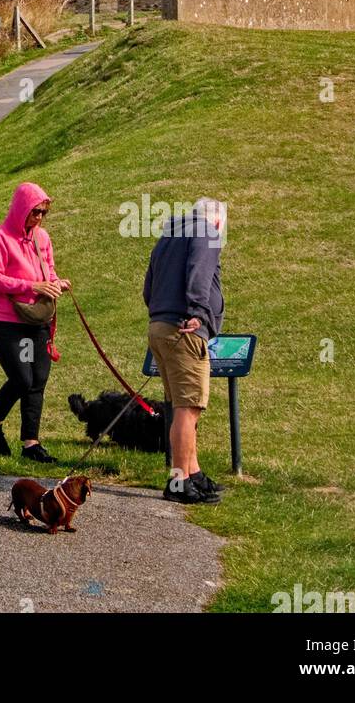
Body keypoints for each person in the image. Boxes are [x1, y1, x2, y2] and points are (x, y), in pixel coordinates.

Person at [0, 182, 71, 463]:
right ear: (21, 209)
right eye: (34, 211)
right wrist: (34, 286)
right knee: (21, 377)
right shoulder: (0, 238)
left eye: (43, 212)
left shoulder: (42, 238)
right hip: (5, 321)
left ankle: (31, 443)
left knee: (38, 380)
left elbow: (48, 271)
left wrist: (55, 283)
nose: (39, 217)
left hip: (36, 319)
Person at [143, 198, 227, 505]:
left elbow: (148, 288)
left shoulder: (169, 236)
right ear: (216, 221)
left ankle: (193, 472)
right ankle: (179, 481)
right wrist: (199, 312)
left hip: (160, 326)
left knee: (182, 405)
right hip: (185, 329)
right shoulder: (206, 232)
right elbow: (199, 274)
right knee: (188, 407)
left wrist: (161, 313)